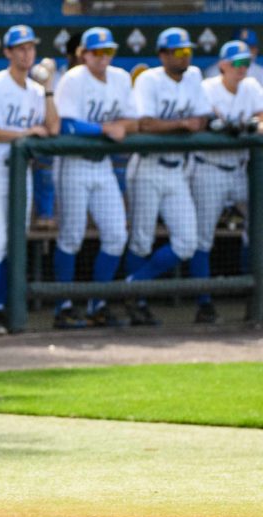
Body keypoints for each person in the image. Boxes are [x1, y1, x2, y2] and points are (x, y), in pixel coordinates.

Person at [0, 25, 59, 335]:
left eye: (30, 48)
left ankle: (8, 307)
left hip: (21, 175)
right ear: (7, 52)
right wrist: (24, 134)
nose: (26, 53)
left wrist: (48, 88)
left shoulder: (36, 91)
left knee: (14, 245)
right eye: (20, 48)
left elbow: (54, 127)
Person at [124, 27, 211, 325]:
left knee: (187, 241)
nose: (185, 57)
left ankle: (134, 286)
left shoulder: (195, 76)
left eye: (188, 51)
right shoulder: (149, 79)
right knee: (141, 242)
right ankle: (139, 302)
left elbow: (201, 119)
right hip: (147, 168)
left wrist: (186, 123)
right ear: (163, 54)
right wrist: (181, 124)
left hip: (177, 170)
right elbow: (144, 124)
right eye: (179, 52)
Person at [52, 27, 137, 328]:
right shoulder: (72, 79)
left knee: (116, 235)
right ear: (84, 54)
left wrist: (119, 126)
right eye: (96, 52)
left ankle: (97, 303)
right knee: (71, 237)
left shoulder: (121, 78)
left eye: (108, 52)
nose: (103, 58)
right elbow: (65, 125)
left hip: (102, 166)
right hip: (73, 165)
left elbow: (132, 119)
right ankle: (63, 306)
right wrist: (104, 129)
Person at [190, 40, 263, 324]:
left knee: (257, 230)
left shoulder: (252, 86)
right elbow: (202, 121)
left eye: (245, 63)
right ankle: (203, 302)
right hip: (210, 168)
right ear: (222, 64)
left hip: (241, 168)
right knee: (202, 238)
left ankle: (253, 300)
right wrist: (220, 126)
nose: (242, 69)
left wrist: (252, 126)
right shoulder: (207, 88)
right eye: (236, 64)